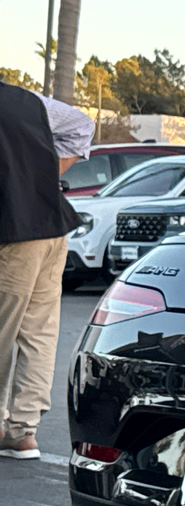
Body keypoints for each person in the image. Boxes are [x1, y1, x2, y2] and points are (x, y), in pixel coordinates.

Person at [0, 81, 94, 459]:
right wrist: (37, 176)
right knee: (39, 332)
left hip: (12, 233)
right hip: (52, 226)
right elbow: (82, 125)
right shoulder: (27, 101)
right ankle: (23, 432)